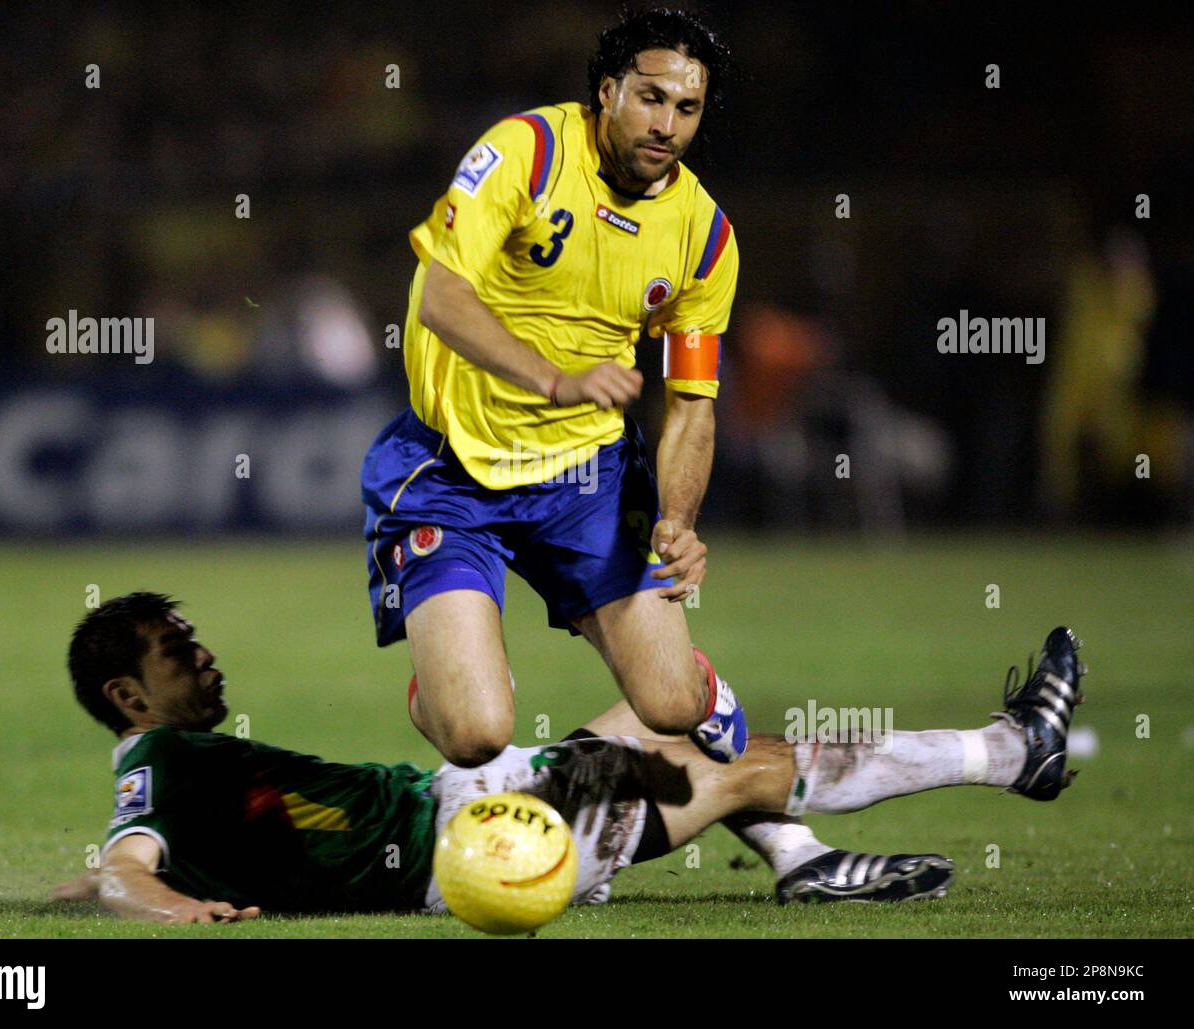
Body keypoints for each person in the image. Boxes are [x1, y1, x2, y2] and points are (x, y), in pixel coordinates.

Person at [56, 593, 1087, 923]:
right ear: (128, 696)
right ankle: (1007, 753)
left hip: (473, 803)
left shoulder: (174, 776)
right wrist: (174, 907)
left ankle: (803, 860)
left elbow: (121, 863)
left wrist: (104, 886)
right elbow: (124, 871)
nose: (205, 655)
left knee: (687, 711)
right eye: (178, 652)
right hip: (484, 842)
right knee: (735, 757)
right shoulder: (162, 761)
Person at [361, 8, 746, 769]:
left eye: (687, 108)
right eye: (649, 96)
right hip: (451, 469)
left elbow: (692, 401)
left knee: (670, 705)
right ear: (606, 91)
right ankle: (447, 684)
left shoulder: (705, 236)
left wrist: (679, 519)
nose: (665, 123)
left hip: (588, 478)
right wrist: (553, 377)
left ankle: (692, 680)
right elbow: (441, 298)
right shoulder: (526, 152)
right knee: (477, 734)